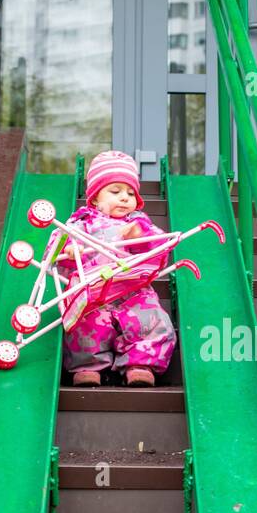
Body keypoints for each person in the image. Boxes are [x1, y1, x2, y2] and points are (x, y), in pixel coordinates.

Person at [57, 150, 176, 387]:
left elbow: (161, 246)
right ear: (94, 199)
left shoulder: (138, 223)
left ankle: (140, 365)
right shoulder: (81, 223)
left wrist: (140, 236)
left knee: (152, 320)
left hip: (133, 291)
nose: (124, 198)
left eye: (130, 193)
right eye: (115, 191)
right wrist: (71, 248)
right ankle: (89, 367)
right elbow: (57, 242)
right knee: (85, 324)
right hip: (93, 291)